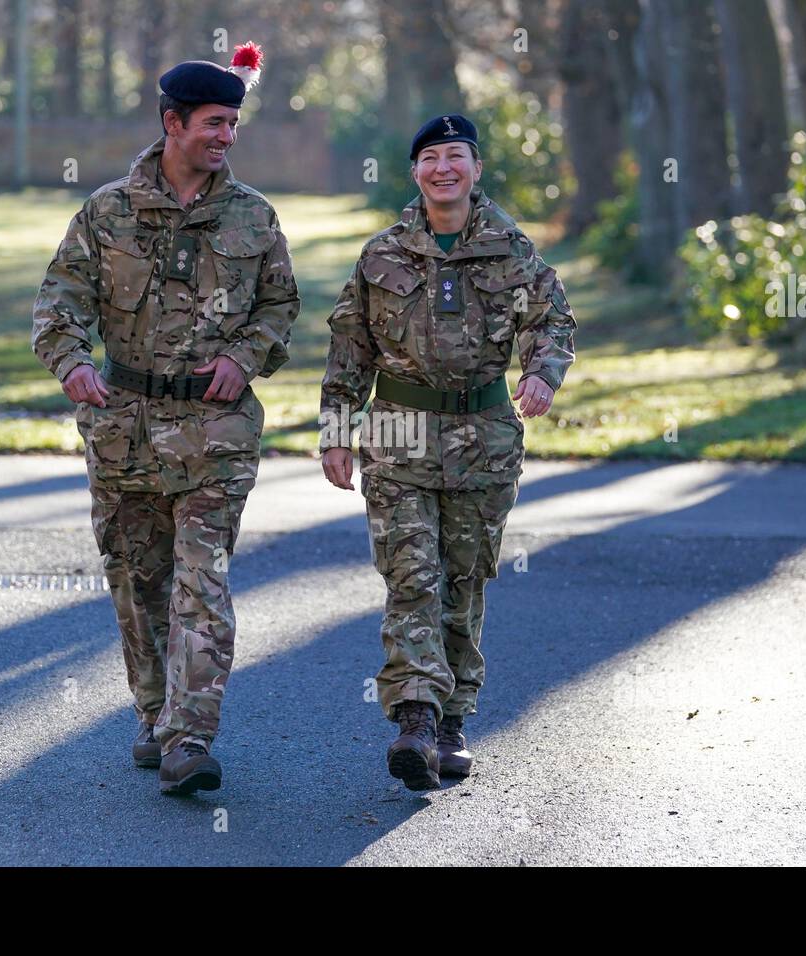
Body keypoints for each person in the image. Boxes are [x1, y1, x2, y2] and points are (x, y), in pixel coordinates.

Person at [32, 42, 299, 795]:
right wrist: (73, 364)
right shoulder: (107, 211)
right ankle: (155, 716)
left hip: (216, 435)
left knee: (201, 585)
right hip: (125, 432)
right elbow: (59, 302)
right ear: (172, 122)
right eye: (213, 123)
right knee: (137, 583)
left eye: (233, 125)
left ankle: (190, 737)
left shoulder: (252, 216)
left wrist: (247, 357)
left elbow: (281, 305)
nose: (225, 137)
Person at [319, 114, 576, 790]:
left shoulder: (510, 249)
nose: (443, 168)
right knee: (413, 579)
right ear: (415, 172)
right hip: (399, 432)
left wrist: (541, 371)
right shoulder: (382, 254)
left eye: (455, 156)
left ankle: (454, 719)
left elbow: (551, 317)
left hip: (483, 437)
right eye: (430, 157)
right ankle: (415, 717)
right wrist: (337, 431)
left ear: (476, 168)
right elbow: (350, 347)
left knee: (462, 583)